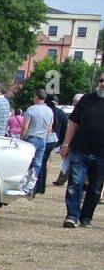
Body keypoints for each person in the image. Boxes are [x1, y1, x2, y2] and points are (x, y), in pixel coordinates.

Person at [60, 72, 104, 228]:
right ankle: (72, 216)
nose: (102, 83)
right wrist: (65, 145)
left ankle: (86, 218)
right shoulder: (86, 100)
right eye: (101, 80)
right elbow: (73, 124)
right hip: (80, 150)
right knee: (75, 184)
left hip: (101, 154)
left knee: (95, 190)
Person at [21, 89, 54, 198]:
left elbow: (25, 126)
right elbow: (49, 127)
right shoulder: (49, 111)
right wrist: (46, 138)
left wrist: (22, 138)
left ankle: (24, 185)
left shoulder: (31, 109)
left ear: (36, 97)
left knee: (27, 162)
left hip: (31, 137)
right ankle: (31, 186)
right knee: (37, 163)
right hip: (42, 139)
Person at [53, 94, 81, 186]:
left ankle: (64, 180)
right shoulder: (74, 112)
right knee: (66, 162)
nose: (73, 103)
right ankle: (61, 180)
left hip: (77, 143)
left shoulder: (81, 113)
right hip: (71, 142)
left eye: (74, 101)